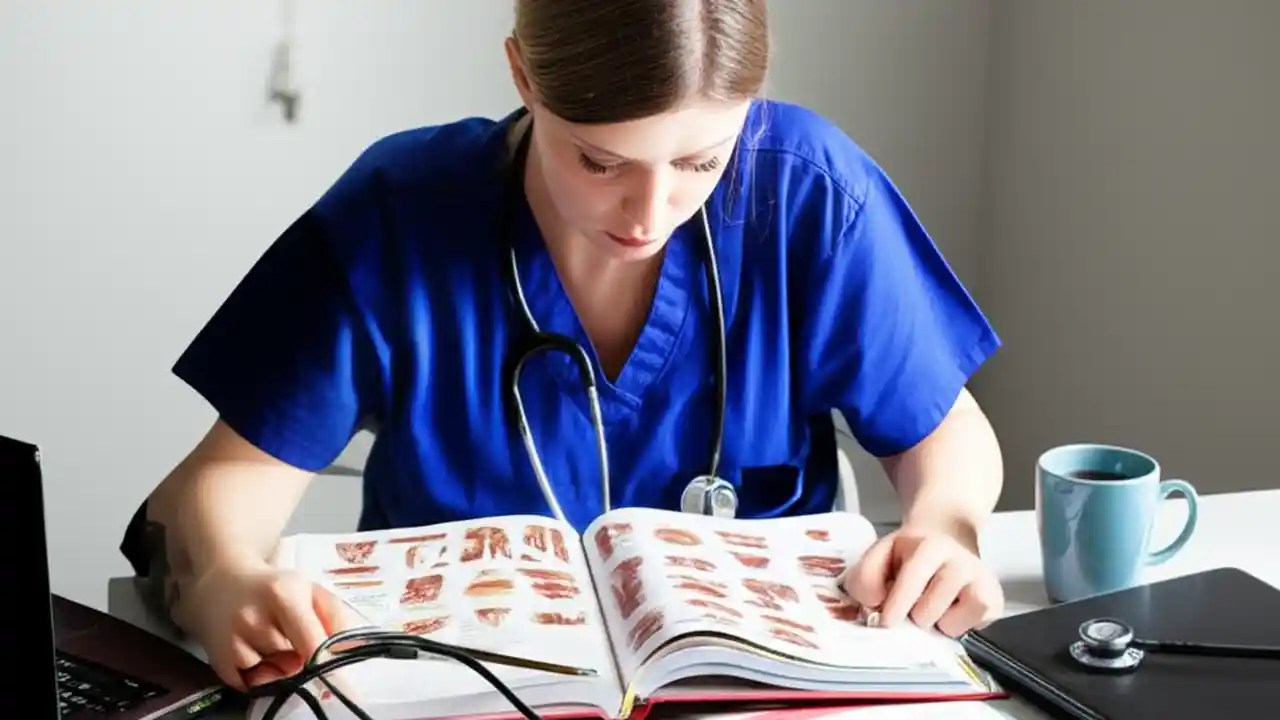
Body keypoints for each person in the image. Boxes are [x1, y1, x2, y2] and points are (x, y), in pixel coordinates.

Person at [120, 0, 1006, 695]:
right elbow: (224, 479)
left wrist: (945, 526)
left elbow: (946, 431)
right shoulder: (398, 213)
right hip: (461, 694)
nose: (649, 213)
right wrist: (228, 574)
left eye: (701, 164)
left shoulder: (809, 193)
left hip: (754, 688)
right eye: (600, 161)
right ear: (522, 75)